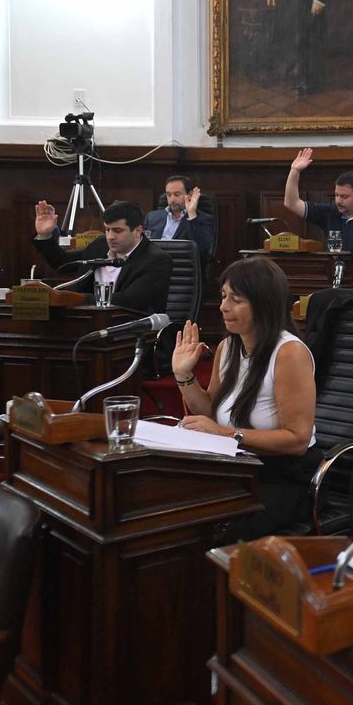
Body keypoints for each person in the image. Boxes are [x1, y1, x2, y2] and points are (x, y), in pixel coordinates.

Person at [172, 257, 319, 541]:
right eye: (224, 296)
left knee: (213, 530)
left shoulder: (289, 353)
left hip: (283, 477)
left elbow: (298, 440)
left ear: (263, 304)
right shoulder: (227, 347)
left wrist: (227, 434)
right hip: (238, 468)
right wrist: (183, 375)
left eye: (236, 299)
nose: (224, 306)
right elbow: (211, 412)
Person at [31, 199, 172, 314]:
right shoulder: (100, 245)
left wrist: (73, 299)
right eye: (107, 229)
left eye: (117, 230)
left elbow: (130, 301)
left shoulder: (156, 259)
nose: (110, 237)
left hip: (133, 330)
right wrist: (45, 235)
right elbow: (62, 263)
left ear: (137, 231)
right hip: (89, 323)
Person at [282, 148, 353, 270]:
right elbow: (291, 203)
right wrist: (294, 171)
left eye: (344, 196)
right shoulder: (330, 212)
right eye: (336, 195)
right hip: (333, 279)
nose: (338, 201)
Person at [145, 174, 218, 271]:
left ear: (190, 195)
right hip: (153, 268)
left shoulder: (203, 219)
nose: (172, 199)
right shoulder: (152, 217)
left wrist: (191, 214)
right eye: (168, 194)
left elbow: (201, 251)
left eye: (177, 194)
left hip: (181, 271)